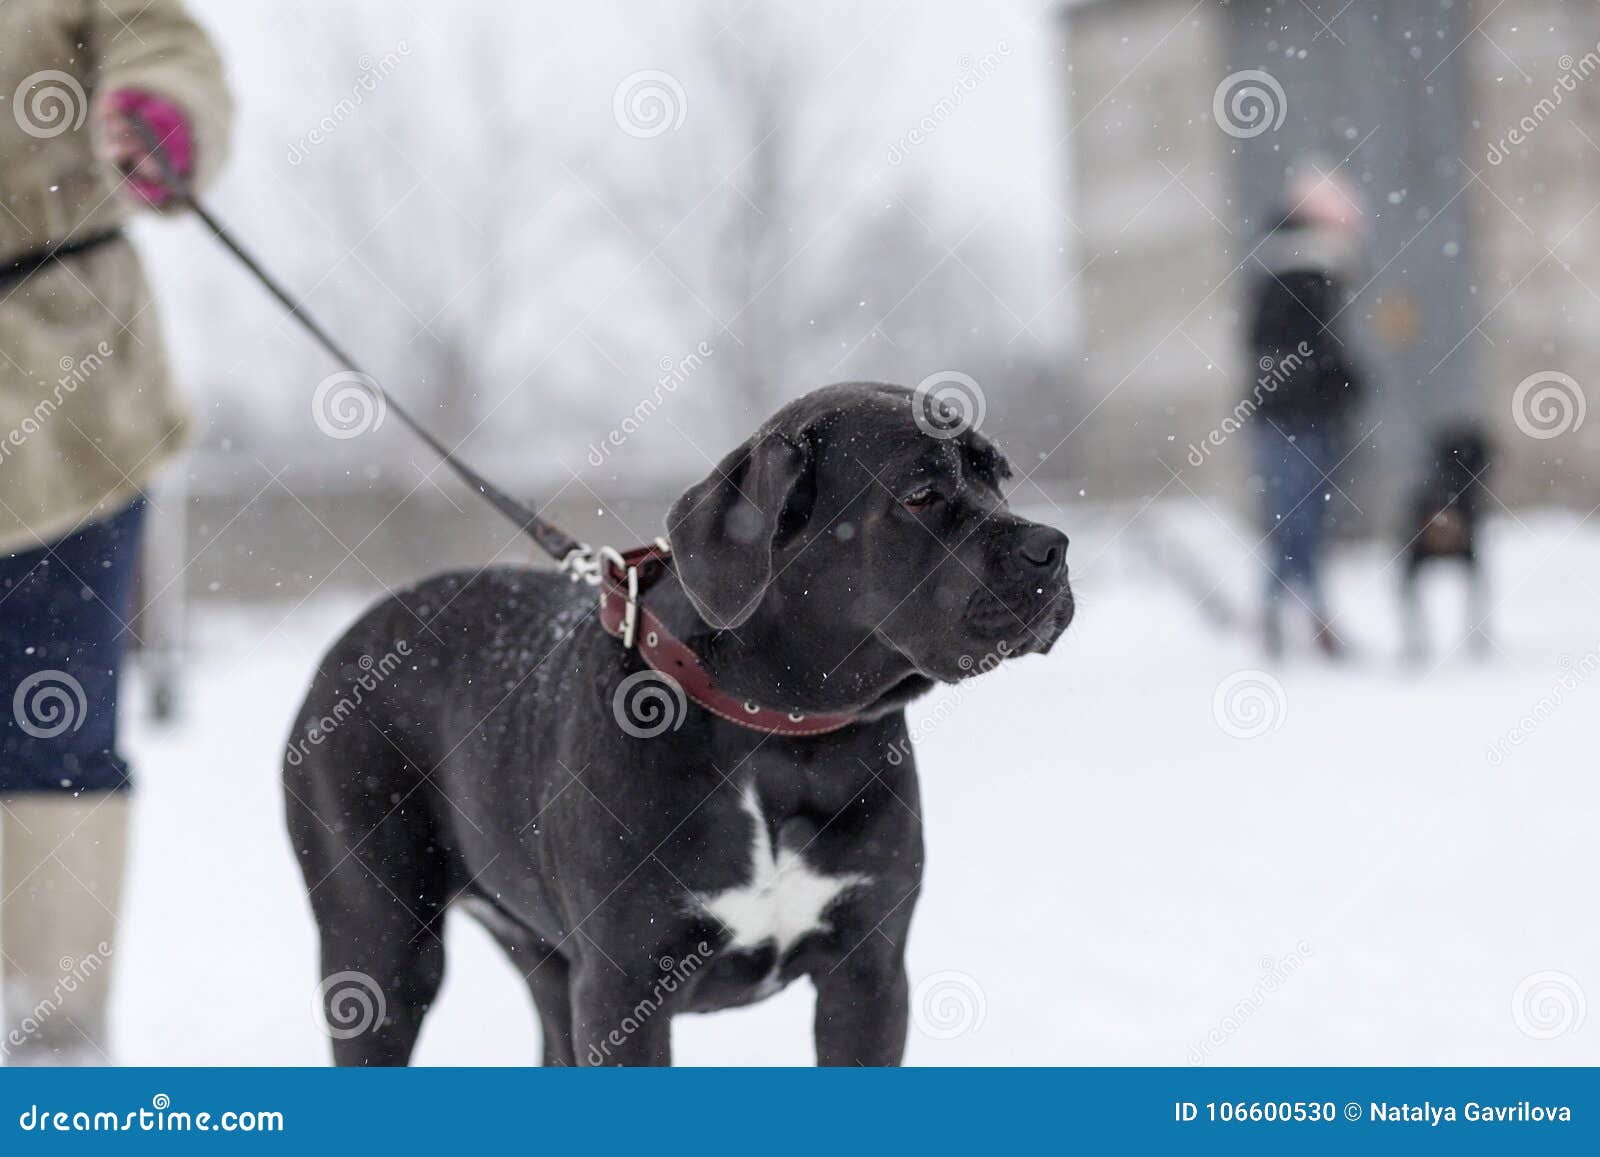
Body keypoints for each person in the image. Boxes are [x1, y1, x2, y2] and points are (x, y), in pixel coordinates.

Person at [1, 0, 230, 1064]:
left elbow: (158, 37)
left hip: (65, 397)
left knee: (48, 732)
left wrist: (160, 112)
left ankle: (53, 1046)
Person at [1246, 170, 1367, 658]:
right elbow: (1308, 351)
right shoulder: (1306, 278)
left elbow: (1266, 347)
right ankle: (1304, 618)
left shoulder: (1280, 273)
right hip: (1300, 420)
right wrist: (1340, 383)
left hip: (1286, 417)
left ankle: (1290, 616)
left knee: (1294, 519)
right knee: (1301, 520)